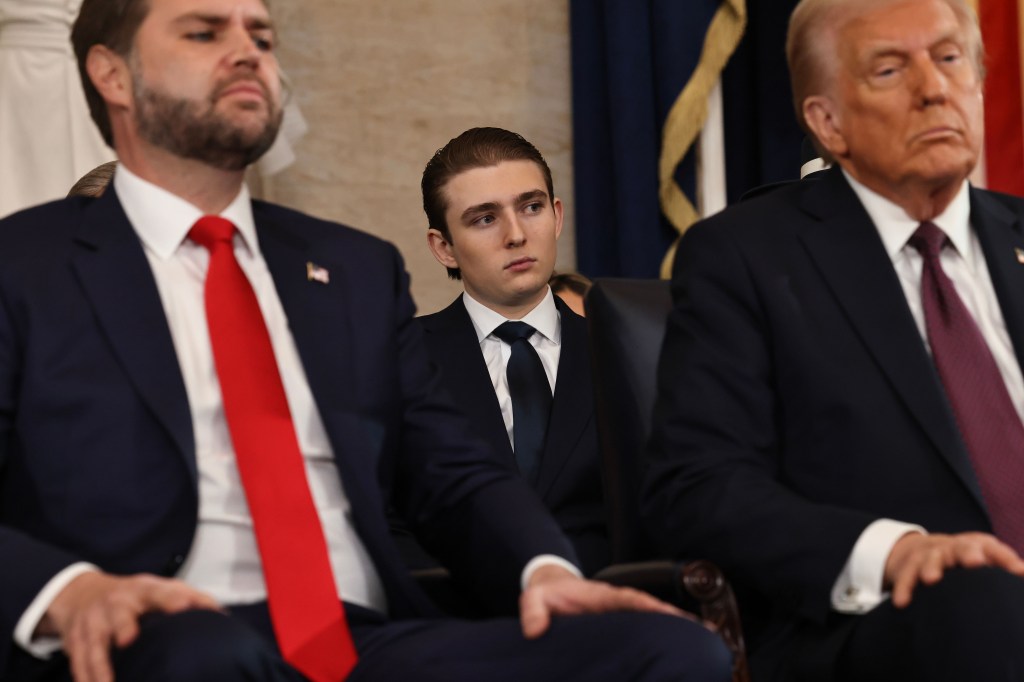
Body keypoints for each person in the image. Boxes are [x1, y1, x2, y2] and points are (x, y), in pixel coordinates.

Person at [0, 1, 734, 681]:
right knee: (210, 655)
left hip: (364, 639)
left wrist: (542, 569)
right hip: (155, 631)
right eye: (204, 32)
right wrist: (66, 590)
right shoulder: (24, 267)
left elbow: (448, 469)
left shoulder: (350, 269)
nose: (247, 52)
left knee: (671, 649)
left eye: (261, 36)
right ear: (112, 74)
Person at [643, 0, 1024, 680]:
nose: (933, 88)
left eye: (949, 58)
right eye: (889, 70)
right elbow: (698, 487)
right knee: (981, 602)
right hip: (887, 623)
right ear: (827, 122)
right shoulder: (746, 257)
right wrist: (893, 552)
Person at [418, 128, 607, 575]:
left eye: (531, 207)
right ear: (444, 247)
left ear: (556, 216)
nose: (516, 234)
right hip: (458, 609)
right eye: (485, 218)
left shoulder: (623, 350)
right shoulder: (401, 359)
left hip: (609, 599)